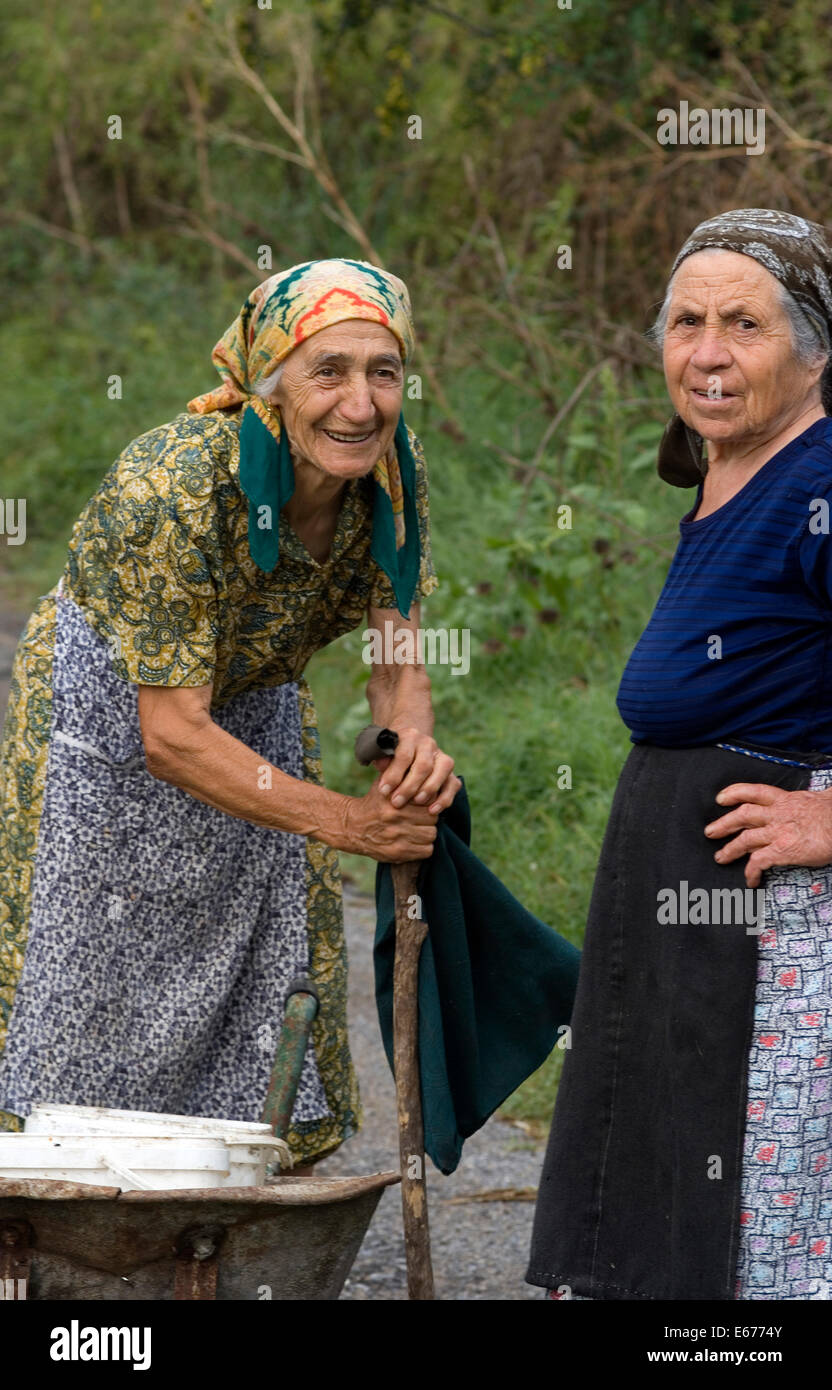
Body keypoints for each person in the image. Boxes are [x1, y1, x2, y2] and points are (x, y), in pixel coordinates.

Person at [0, 257, 460, 1170]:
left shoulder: (391, 484)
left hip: (248, 707)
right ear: (273, 385)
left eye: (384, 372)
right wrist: (345, 823)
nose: (361, 405)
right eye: (329, 372)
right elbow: (168, 734)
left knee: (264, 952)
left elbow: (397, 651)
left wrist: (412, 751)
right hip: (108, 719)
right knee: (95, 965)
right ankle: (58, 1194)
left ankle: (228, 1187)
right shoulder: (173, 487)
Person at [528, 209, 832, 1300]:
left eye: (743, 325)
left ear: (813, 349)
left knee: (761, 1221)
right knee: (668, 1207)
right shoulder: (727, 473)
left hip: (780, 935)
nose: (706, 352)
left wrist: (826, 818)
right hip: (689, 918)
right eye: (685, 322)